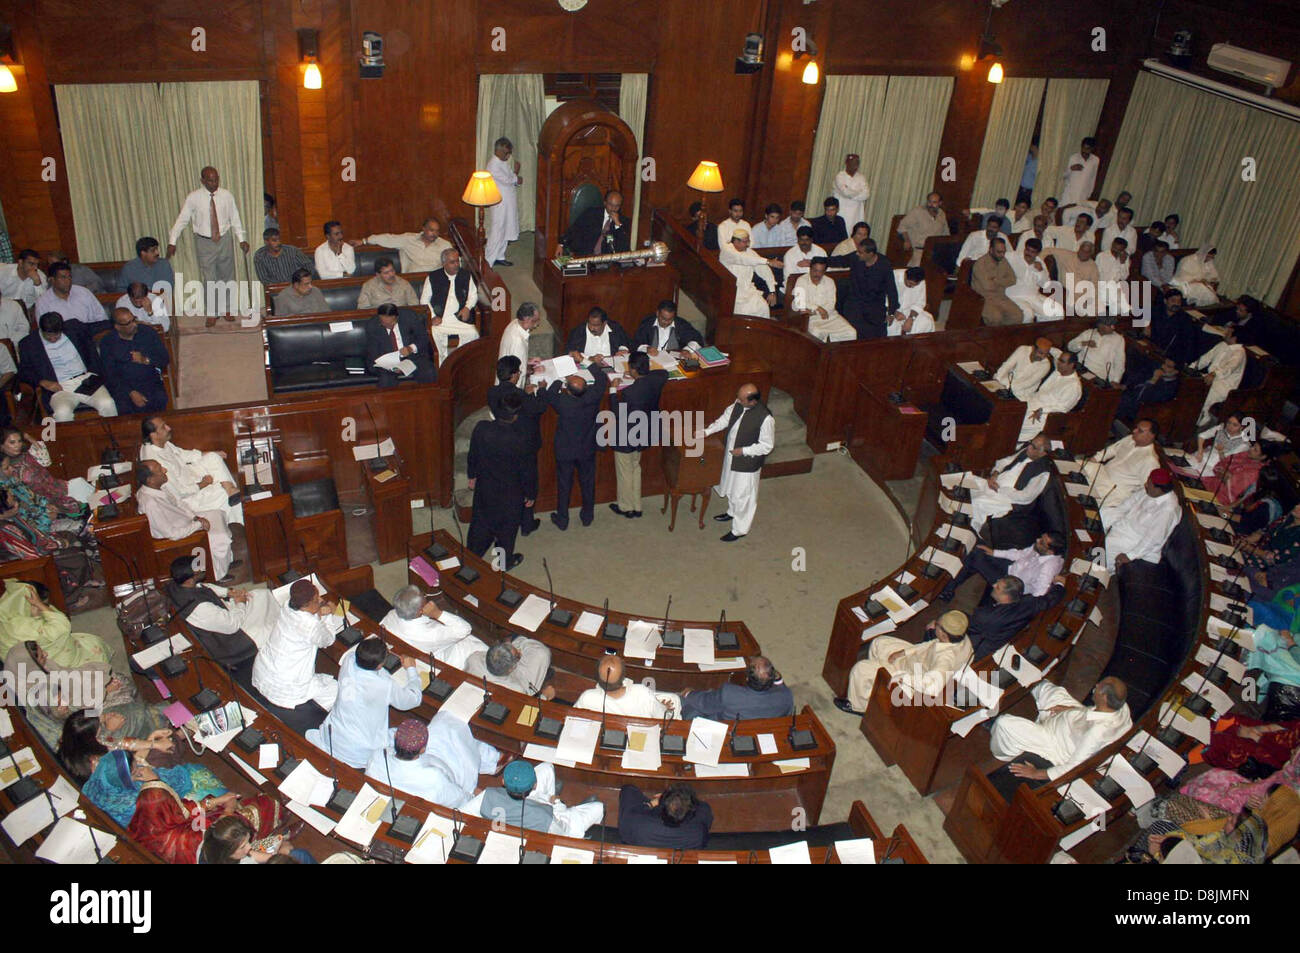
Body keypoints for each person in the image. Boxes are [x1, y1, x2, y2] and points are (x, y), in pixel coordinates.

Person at [305, 636, 421, 768]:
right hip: (360, 749)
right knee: (407, 735)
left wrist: (376, 648)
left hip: (333, 736)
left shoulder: (349, 660)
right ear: (379, 665)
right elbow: (413, 700)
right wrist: (411, 669)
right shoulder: (384, 684)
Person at [990, 677, 1131, 782]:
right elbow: (1092, 713)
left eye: (1099, 686)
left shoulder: (1097, 733)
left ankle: (1003, 752)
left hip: (1055, 742)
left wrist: (1036, 773)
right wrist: (1069, 710)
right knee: (1043, 685)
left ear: (1104, 697)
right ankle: (991, 686)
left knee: (1004, 723)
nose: (1096, 684)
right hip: (1073, 717)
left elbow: (1074, 766)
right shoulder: (1122, 708)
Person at [837, 609, 973, 714]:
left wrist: (903, 678)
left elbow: (933, 686)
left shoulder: (946, 659)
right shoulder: (962, 639)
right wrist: (903, 653)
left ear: (944, 635)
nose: (934, 623)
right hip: (918, 661)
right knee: (880, 642)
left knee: (861, 669)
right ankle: (875, 689)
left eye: (937, 624)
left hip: (912, 679)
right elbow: (932, 645)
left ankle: (859, 706)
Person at [366, 714, 503, 810]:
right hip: (448, 779)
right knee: (448, 729)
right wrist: (473, 795)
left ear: (395, 737)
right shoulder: (434, 778)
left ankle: (489, 757)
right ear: (422, 749)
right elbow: (462, 799)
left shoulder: (377, 757)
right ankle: (491, 759)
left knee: (442, 729)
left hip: (399, 795)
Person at [135, 459, 235, 582]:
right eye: (160, 470)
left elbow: (178, 503)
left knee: (218, 514)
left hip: (185, 520)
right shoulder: (150, 503)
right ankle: (217, 574)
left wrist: (195, 517)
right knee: (219, 536)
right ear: (150, 480)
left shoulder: (157, 487)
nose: (165, 470)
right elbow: (172, 534)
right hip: (181, 535)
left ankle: (224, 562)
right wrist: (199, 525)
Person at [251, 578, 342, 712]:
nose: (320, 601)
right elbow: (327, 640)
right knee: (337, 692)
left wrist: (319, 605)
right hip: (287, 684)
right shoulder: (311, 626)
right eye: (316, 600)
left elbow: (308, 614)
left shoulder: (288, 605)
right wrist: (328, 615)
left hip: (264, 670)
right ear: (307, 604)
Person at [466, 389, 533, 568]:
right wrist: (530, 494)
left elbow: (473, 454)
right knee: (506, 531)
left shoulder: (481, 428)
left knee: (480, 523)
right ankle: (502, 562)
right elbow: (527, 471)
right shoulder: (521, 438)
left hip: (485, 486)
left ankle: (472, 558)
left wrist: (471, 475)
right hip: (511, 493)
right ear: (515, 416)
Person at [166, 556, 279, 661]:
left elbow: (205, 587)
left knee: (261, 594)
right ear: (190, 580)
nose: (202, 569)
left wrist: (229, 592)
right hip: (231, 641)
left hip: (222, 616)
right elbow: (232, 625)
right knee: (270, 626)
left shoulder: (176, 584)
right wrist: (240, 603)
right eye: (198, 570)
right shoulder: (200, 608)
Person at [700, 383, 774, 542]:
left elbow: (767, 446)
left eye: (741, 399)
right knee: (731, 488)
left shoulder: (765, 418)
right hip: (731, 457)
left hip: (747, 464)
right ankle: (731, 512)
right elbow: (724, 420)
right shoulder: (738, 404)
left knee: (743, 496)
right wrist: (706, 431)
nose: (737, 401)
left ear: (752, 401)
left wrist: (744, 451)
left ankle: (740, 530)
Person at [140, 415, 243, 526]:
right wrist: (202, 484)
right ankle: (241, 521)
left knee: (213, 457)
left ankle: (230, 489)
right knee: (222, 493)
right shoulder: (155, 464)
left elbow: (183, 454)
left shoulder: (161, 442)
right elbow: (178, 493)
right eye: (163, 427)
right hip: (188, 498)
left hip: (189, 474)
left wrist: (210, 453)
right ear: (153, 435)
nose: (169, 428)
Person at [542, 364, 608, 530]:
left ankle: (562, 519)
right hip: (587, 448)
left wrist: (559, 380)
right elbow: (601, 379)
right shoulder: (593, 397)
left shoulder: (563, 402)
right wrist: (590, 364)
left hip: (566, 451)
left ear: (569, 391)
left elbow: (547, 393)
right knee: (588, 483)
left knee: (564, 485)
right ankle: (587, 516)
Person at [18, 312, 116, 421]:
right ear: (41, 330)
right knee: (62, 413)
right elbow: (24, 372)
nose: (53, 339)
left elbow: (96, 326)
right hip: (59, 387)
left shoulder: (74, 328)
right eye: (48, 336)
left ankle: (112, 437)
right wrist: (42, 382)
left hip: (87, 380)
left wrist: (118, 321)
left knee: (107, 403)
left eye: (56, 335)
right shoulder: (28, 343)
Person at [0, 427, 90, 547]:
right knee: (85, 525)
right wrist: (49, 510)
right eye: (12, 442)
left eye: (19, 441)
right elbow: (23, 510)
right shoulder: (7, 481)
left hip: (57, 492)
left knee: (89, 495)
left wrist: (28, 437)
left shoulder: (25, 458)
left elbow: (45, 462)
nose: (17, 445)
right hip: (41, 517)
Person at [475, 759, 605, 839]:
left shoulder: (487, 794)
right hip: (549, 820)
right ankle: (579, 814)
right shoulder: (543, 817)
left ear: (503, 781)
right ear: (535, 785)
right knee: (598, 808)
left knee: (547, 767)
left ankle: (552, 795)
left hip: (522, 813)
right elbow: (563, 832)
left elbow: (464, 813)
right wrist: (558, 803)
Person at [488, 355, 545, 535]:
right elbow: (538, 408)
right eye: (519, 371)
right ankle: (526, 523)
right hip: (524, 444)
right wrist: (540, 390)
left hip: (501, 441)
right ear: (513, 375)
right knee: (527, 481)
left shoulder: (492, 392)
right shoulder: (520, 396)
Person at [610, 351, 668, 518]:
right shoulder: (656, 381)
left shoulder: (630, 392)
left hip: (627, 435)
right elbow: (663, 372)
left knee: (624, 471)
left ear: (632, 368)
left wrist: (613, 389)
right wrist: (637, 374)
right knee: (636, 467)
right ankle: (637, 505)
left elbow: (617, 412)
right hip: (644, 432)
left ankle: (626, 507)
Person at [166, 166, 248, 285]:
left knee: (228, 277)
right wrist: (172, 241)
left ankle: (229, 304)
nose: (214, 183)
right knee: (209, 279)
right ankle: (212, 304)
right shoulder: (193, 197)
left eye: (216, 180)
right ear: (202, 181)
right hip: (204, 242)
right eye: (210, 180)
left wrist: (241, 239)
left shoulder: (227, 195)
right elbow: (182, 220)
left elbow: (235, 218)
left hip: (224, 239)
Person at [0, 580, 110, 668]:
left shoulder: (6, 617)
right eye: (43, 603)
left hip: (24, 666)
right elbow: (62, 627)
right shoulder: (20, 627)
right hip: (51, 664)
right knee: (93, 646)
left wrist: (37, 616)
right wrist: (40, 605)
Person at [939, 531, 1067, 602]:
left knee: (976, 556)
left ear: (1050, 551)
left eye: (1042, 542)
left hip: (1012, 584)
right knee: (979, 547)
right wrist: (993, 552)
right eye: (1041, 537)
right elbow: (1019, 554)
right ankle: (950, 588)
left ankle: (949, 588)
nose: (1037, 540)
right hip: (1012, 568)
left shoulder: (1049, 567)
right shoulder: (1039, 548)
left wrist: (1015, 600)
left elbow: (1040, 594)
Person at [381, 585, 486, 670]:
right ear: (420, 611)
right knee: (481, 648)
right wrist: (437, 613)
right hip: (447, 659)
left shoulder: (392, 614)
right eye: (425, 598)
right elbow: (465, 629)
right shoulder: (431, 635)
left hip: (416, 649)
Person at [966, 434, 1054, 534]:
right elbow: (1005, 461)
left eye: (1033, 447)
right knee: (966, 480)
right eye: (1030, 443)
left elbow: (1026, 497)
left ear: (1042, 452)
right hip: (993, 483)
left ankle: (970, 531)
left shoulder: (1043, 472)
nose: (1029, 447)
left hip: (1007, 498)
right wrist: (995, 474)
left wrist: (999, 489)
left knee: (978, 502)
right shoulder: (1027, 451)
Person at [966, 574, 1067, 659]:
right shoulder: (1028, 604)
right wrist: (1060, 583)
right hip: (1004, 637)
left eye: (998, 587)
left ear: (1006, 596)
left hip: (979, 649)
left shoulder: (985, 616)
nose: (994, 585)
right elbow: (1049, 600)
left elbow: (966, 628)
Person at [1102, 469, 1181, 571]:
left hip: (1134, 542)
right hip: (1123, 526)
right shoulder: (1151, 490)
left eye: (1149, 484)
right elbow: (1126, 505)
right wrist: (1110, 519)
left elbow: (1152, 540)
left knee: (1099, 553)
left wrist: (1129, 556)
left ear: (1159, 489)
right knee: (1098, 515)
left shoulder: (1167, 511)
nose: (1145, 485)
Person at [1080, 419, 1162, 513]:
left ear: (1151, 436)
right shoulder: (1130, 439)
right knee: (1076, 465)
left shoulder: (1150, 460)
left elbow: (1145, 489)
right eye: (1136, 428)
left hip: (1114, 490)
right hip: (1102, 472)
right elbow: (1112, 450)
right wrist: (1094, 459)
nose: (1134, 431)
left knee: (1084, 495)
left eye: (1140, 431)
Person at [99, 307, 169, 415]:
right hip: (124, 387)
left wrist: (145, 359)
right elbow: (109, 374)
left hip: (150, 381)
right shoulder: (107, 343)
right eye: (128, 323)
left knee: (160, 399)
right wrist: (130, 392)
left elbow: (164, 359)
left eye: (134, 320)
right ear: (117, 327)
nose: (134, 324)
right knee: (124, 409)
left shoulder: (147, 332)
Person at [824, 238, 899, 339]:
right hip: (855, 303)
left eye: (861, 252)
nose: (857, 254)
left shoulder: (884, 264)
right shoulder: (855, 258)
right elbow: (840, 260)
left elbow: (891, 289)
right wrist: (817, 261)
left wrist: (891, 312)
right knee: (857, 330)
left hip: (875, 305)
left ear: (870, 254)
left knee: (879, 332)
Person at [680, 656, 793, 720]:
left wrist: (689, 693)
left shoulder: (729, 693)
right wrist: (778, 679)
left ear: (747, 679)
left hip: (724, 728)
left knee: (688, 704)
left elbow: (704, 703)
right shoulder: (786, 696)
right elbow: (781, 688)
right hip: (752, 729)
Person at [420, 247, 481, 361]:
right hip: (440, 318)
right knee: (434, 332)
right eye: (452, 262)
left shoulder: (466, 275)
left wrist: (467, 308)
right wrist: (433, 316)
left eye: (458, 261)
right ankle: (442, 362)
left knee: (473, 333)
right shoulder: (433, 277)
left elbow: (473, 295)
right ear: (444, 263)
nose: (457, 264)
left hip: (459, 317)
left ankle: (459, 359)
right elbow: (424, 300)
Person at [575, 655, 679, 718]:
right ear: (623, 678)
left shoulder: (587, 697)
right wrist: (665, 708)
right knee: (676, 699)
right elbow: (662, 716)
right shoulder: (642, 692)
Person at [618, 783, 713, 850]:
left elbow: (627, 790)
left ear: (661, 806)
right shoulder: (698, 833)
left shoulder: (636, 824)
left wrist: (650, 804)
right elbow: (704, 808)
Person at [364, 302, 436, 386]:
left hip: (413, 357)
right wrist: (392, 366)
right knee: (386, 380)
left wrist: (411, 348)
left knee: (429, 372)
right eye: (384, 323)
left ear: (396, 318)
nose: (388, 326)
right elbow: (373, 352)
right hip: (387, 362)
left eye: (391, 323)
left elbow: (423, 337)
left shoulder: (410, 317)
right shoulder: (372, 326)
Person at [1017, 351, 1082, 442]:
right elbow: (1055, 353)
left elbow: (1062, 409)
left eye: (1062, 361)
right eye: (1059, 360)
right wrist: (1048, 348)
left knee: (1015, 424)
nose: (1058, 363)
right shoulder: (1058, 371)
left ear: (1071, 365)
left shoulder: (1073, 387)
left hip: (1044, 416)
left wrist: (1042, 410)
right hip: (1031, 401)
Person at [464, 636, 555, 699]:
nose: (519, 652)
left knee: (521, 643)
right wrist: (544, 696)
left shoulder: (473, 659)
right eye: (518, 656)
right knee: (542, 653)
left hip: (491, 675)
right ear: (511, 669)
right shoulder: (518, 690)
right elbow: (526, 706)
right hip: (516, 681)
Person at [1191, 323, 1246, 426]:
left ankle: (1198, 425)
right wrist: (1191, 367)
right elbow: (1205, 358)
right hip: (1209, 378)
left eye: (1228, 332)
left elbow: (1228, 369)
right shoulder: (1222, 345)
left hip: (1223, 386)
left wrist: (1214, 374)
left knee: (1204, 399)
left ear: (1234, 337)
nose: (1225, 333)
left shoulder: (1239, 352)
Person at [201, 814, 313, 865]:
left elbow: (251, 854)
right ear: (226, 852)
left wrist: (280, 854)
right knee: (301, 855)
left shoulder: (212, 840)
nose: (249, 846)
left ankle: (279, 830)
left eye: (247, 841)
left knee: (297, 854)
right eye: (243, 846)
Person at [34, 262, 108, 337]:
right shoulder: (43, 302)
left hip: (89, 335)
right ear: (52, 280)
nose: (68, 281)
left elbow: (101, 317)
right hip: (63, 339)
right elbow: (45, 331)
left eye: (69, 277)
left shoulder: (83, 292)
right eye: (63, 277)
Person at [719, 229, 781, 318]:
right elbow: (743, 259)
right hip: (731, 292)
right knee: (743, 314)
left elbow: (764, 270)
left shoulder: (750, 252)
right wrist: (767, 261)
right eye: (745, 242)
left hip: (748, 291)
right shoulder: (727, 250)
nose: (748, 245)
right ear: (736, 241)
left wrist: (772, 291)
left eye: (748, 241)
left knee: (763, 307)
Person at [1170, 413, 1250, 481]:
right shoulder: (1221, 428)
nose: (1230, 427)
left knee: (1188, 476)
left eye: (1235, 425)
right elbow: (1202, 436)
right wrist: (1200, 452)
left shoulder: (1244, 443)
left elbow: (1227, 461)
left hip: (1215, 467)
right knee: (1176, 465)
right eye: (1229, 423)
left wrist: (1220, 451)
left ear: (1242, 427)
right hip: (1203, 457)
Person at [793, 259, 856, 342]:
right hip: (811, 318)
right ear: (810, 269)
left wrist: (814, 311)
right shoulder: (801, 280)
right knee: (816, 333)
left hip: (829, 315)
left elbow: (831, 304)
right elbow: (799, 302)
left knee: (851, 332)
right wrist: (818, 308)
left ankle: (839, 354)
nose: (817, 274)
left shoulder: (830, 281)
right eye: (815, 270)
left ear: (824, 271)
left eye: (821, 271)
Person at [365, 217, 452, 273]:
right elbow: (388, 239)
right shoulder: (409, 239)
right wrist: (365, 241)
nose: (434, 234)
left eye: (437, 231)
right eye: (431, 230)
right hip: (413, 280)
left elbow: (453, 266)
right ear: (423, 229)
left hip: (436, 280)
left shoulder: (445, 245)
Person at [1005, 238, 1062, 322]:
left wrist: (1040, 271)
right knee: (1028, 315)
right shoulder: (1012, 256)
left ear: (1038, 253)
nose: (1028, 254)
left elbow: (1046, 285)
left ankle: (1040, 333)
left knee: (1057, 312)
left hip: (1033, 296)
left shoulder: (1040, 263)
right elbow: (996, 256)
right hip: (1015, 296)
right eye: (1027, 250)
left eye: (1032, 252)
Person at [485, 137, 522, 266]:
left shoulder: (502, 162)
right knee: (497, 230)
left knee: (506, 228)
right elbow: (508, 179)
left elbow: (511, 179)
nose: (509, 156)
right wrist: (516, 174)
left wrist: (515, 178)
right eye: (507, 153)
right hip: (499, 203)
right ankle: (488, 260)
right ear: (499, 151)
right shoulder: (493, 165)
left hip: (508, 200)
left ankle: (500, 255)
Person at [565, 189, 631, 258]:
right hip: (585, 255)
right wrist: (561, 244)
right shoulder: (591, 213)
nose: (613, 208)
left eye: (617, 206)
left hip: (607, 259)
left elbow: (624, 245)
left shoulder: (623, 221)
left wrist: (617, 224)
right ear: (605, 203)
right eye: (610, 204)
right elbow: (575, 228)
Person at [1203, 439, 1269, 507]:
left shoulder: (1256, 472)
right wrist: (1225, 474)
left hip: (1223, 497)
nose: (1251, 449)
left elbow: (1237, 493)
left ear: (1263, 456)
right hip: (1213, 481)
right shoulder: (1245, 454)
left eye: (1255, 450)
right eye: (1253, 446)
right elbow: (1222, 464)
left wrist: (1228, 479)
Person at [972, 238, 1020, 326]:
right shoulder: (980, 263)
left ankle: (1003, 336)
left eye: (1004, 252)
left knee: (1018, 316)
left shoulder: (1003, 260)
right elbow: (988, 286)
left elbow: (1013, 279)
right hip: (984, 299)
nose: (1002, 255)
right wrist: (1002, 282)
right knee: (996, 318)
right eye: (999, 252)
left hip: (1000, 296)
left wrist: (996, 280)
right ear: (991, 250)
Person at [1116, 358, 1180, 423]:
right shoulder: (1154, 370)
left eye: (1168, 366)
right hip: (1130, 396)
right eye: (1163, 363)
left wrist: (1154, 380)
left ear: (1175, 371)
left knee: (1120, 400)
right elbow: (1136, 378)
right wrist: (1125, 385)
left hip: (1142, 408)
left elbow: (1147, 397)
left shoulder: (1171, 386)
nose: (1163, 367)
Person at [1067, 314, 1125, 384]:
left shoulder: (1118, 339)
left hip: (1099, 375)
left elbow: (1119, 362)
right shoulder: (1088, 333)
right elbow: (1070, 346)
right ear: (1101, 325)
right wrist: (1084, 343)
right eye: (1110, 325)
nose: (1113, 328)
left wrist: (1116, 381)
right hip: (1082, 369)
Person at [994, 336, 1057, 400]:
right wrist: (998, 378)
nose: (1042, 357)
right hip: (1005, 382)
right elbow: (1007, 366)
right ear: (1033, 348)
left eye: (1046, 354)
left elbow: (1028, 383)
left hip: (1022, 394)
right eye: (1040, 353)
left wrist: (1007, 387)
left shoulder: (1046, 365)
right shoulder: (1022, 349)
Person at [632, 299, 703, 354]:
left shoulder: (681, 324)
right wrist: (646, 348)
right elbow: (636, 343)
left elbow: (696, 339)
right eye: (663, 319)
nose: (666, 322)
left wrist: (687, 350)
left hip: (674, 361)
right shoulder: (647, 323)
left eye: (670, 320)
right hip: (651, 359)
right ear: (657, 313)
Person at [897, 192, 948, 267]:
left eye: (934, 202)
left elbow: (945, 233)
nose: (931, 205)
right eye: (929, 201)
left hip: (935, 251)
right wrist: (907, 240)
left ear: (940, 203)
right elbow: (902, 226)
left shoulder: (942, 214)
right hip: (919, 251)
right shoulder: (917, 211)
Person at [566, 306, 630, 364]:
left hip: (612, 366)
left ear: (604, 323)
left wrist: (623, 349)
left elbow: (626, 342)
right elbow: (571, 352)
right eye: (590, 324)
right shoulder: (578, 332)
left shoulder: (615, 328)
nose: (591, 328)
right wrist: (589, 358)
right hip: (587, 366)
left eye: (596, 325)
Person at [887, 266, 934, 335]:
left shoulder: (921, 281)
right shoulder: (891, 276)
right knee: (890, 327)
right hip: (889, 310)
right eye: (910, 283)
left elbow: (919, 303)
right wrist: (894, 312)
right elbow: (879, 299)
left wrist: (911, 318)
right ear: (905, 276)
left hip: (909, 310)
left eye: (914, 285)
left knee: (927, 321)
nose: (911, 286)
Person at [499, 301, 541, 374]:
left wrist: (527, 361)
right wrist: (533, 371)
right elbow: (517, 373)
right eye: (535, 321)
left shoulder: (514, 322)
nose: (537, 324)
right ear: (527, 320)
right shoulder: (517, 342)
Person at [1059, 137, 1100, 208]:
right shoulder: (1073, 157)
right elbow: (1064, 176)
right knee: (1063, 212)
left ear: (1092, 149)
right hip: (1070, 192)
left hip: (1083, 195)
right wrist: (1071, 169)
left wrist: (1089, 194)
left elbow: (1093, 178)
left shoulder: (1095, 160)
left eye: (1087, 148)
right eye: (1083, 147)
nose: (1084, 150)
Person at [833, 154, 870, 229]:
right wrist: (859, 191)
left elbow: (866, 195)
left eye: (857, 163)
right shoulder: (840, 176)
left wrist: (850, 193)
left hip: (856, 213)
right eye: (852, 162)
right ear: (846, 163)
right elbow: (845, 192)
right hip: (842, 212)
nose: (855, 165)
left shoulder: (861, 177)